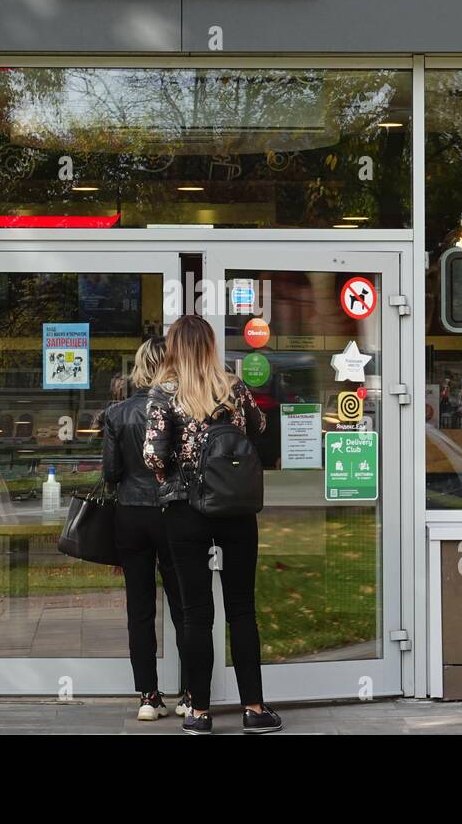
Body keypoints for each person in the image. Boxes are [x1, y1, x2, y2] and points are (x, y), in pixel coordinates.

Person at [143, 315, 281, 735]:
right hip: (236, 509)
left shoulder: (164, 394)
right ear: (210, 346)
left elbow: (152, 455)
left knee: (196, 613)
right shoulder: (234, 388)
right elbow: (259, 429)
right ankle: (254, 709)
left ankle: (198, 713)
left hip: (185, 510)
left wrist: (175, 471)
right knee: (242, 608)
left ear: (173, 348)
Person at [101, 337, 189, 720]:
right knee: (185, 606)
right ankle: (190, 692)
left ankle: (148, 698)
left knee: (139, 609)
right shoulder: (180, 409)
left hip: (131, 516)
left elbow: (110, 472)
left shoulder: (117, 413)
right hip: (171, 513)